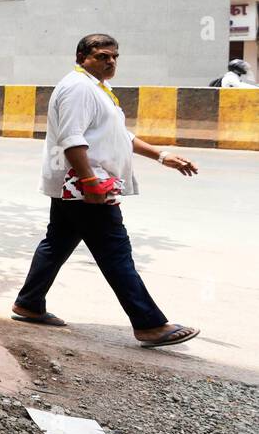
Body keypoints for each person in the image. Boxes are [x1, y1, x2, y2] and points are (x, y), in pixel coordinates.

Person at [11, 33, 201, 348]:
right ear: (82, 57)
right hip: (86, 186)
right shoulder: (78, 88)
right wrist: (89, 180)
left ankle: (29, 303)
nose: (110, 61)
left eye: (114, 56)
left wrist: (161, 155)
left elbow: (117, 135)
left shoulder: (97, 88)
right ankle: (149, 324)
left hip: (76, 186)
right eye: (102, 56)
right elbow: (71, 137)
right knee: (116, 252)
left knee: (56, 243)